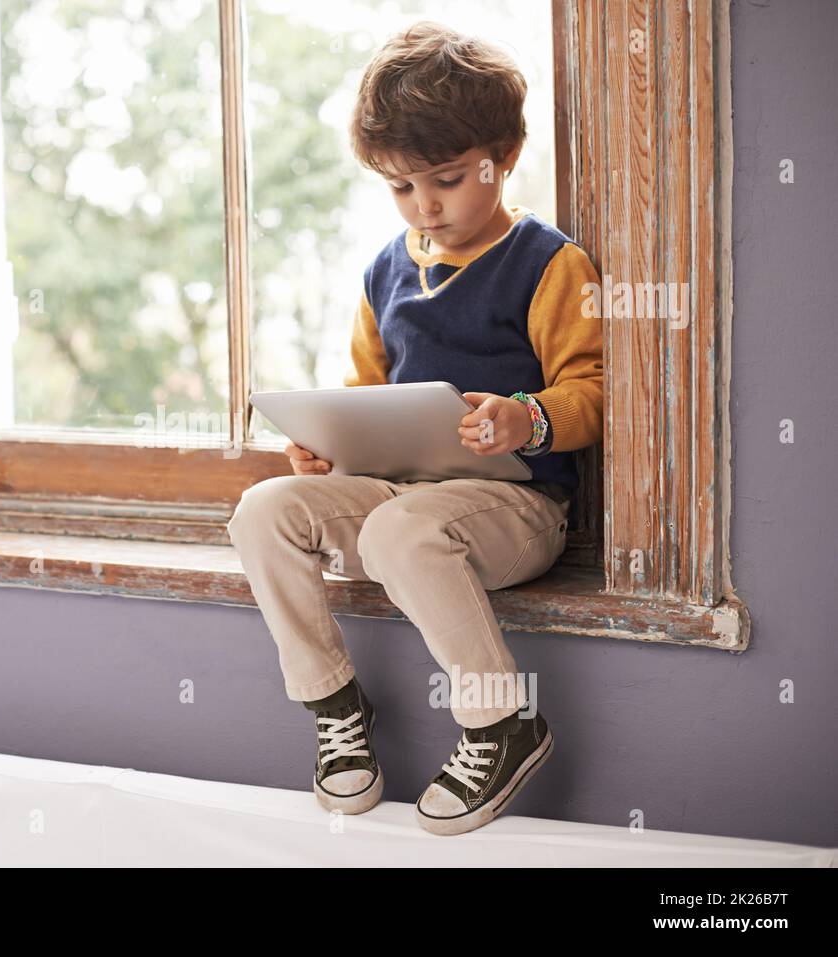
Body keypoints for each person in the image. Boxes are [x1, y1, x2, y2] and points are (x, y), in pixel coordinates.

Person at [226, 21, 603, 836]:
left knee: (401, 529)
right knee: (265, 508)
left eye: (447, 179)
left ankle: (504, 721)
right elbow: (368, 395)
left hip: (518, 509)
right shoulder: (386, 270)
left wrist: (527, 418)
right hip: (403, 497)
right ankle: (334, 701)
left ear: (501, 157)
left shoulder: (549, 263)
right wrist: (323, 452)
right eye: (401, 186)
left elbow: (592, 390)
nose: (425, 204)